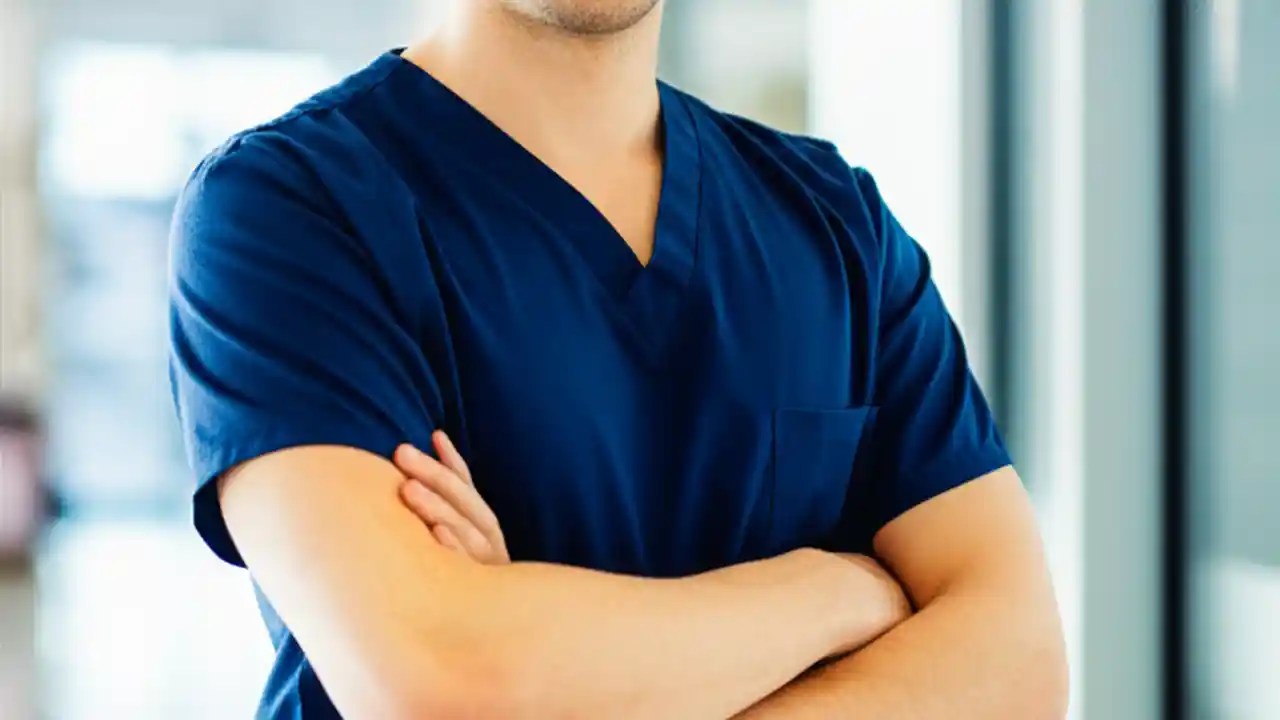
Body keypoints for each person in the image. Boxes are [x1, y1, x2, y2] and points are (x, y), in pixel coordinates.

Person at [168, 1, 1068, 717]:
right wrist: (836, 593)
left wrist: (546, 659)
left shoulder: (840, 229)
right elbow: (438, 678)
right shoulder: (287, 210)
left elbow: (1017, 665)